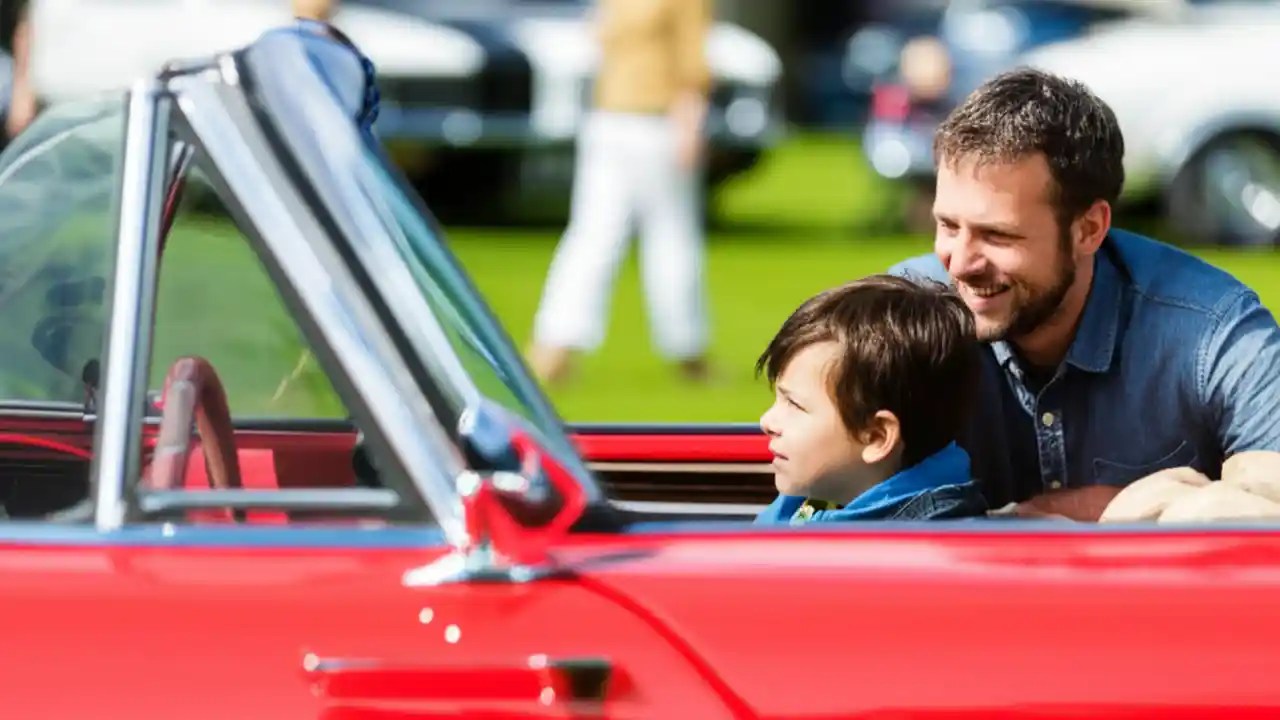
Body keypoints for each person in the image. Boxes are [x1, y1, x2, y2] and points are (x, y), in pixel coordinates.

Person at [890, 67, 1280, 519]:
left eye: (998, 236)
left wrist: (1104, 511)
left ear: (1089, 229)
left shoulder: (1211, 331)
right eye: (948, 226)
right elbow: (806, 485)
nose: (960, 263)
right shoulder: (902, 315)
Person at [527, 0, 713, 385]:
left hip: (634, 121)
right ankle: (685, 349)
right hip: (632, 122)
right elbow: (688, 57)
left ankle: (558, 342)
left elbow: (686, 58)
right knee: (655, 237)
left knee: (620, 237)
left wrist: (688, 121)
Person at [754, 275, 987, 524]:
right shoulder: (816, 496)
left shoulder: (911, 549)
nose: (766, 421)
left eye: (795, 405)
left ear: (877, 437)